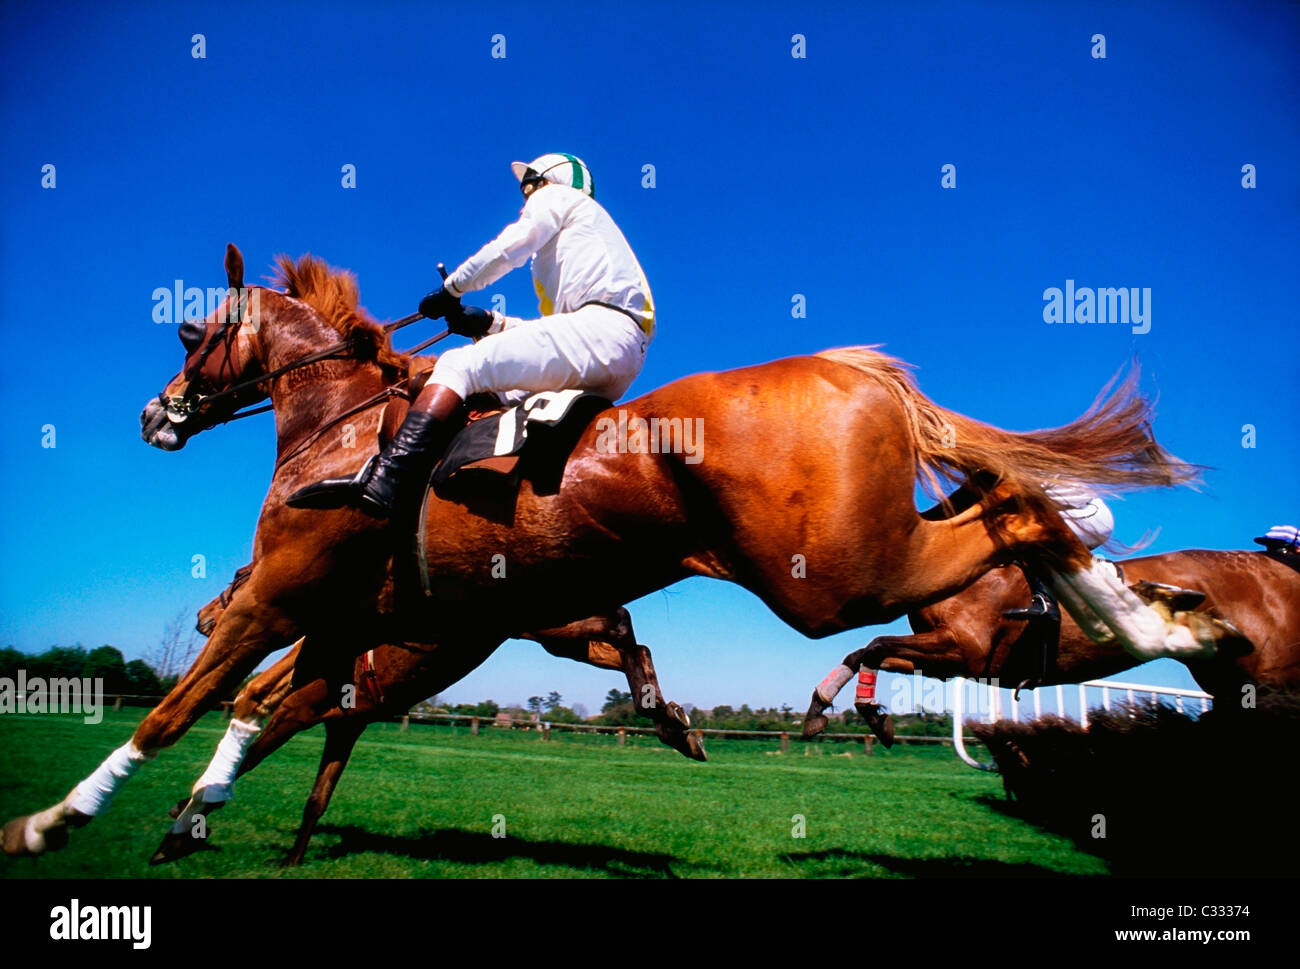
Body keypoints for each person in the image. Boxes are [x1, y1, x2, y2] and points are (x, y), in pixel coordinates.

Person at [288, 153, 655, 517]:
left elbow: (510, 247)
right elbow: (559, 333)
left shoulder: (557, 197)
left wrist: (453, 288)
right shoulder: (585, 234)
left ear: (547, 179)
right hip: (613, 353)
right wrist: (488, 323)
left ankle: (388, 478)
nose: (525, 193)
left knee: (458, 364)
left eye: (528, 182)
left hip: (601, 334)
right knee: (492, 393)